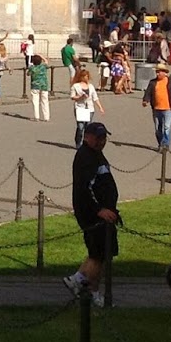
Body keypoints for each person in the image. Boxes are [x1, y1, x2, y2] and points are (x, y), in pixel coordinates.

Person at [64, 122, 119, 304]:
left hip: (103, 213)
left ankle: (80, 281)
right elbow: (85, 189)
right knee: (99, 253)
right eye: (98, 137)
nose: (101, 141)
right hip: (93, 215)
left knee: (100, 253)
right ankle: (87, 287)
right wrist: (99, 210)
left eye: (104, 138)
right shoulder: (85, 157)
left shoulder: (94, 154)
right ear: (87, 136)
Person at [143, 62, 171, 151]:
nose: (157, 73)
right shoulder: (153, 82)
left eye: (159, 72)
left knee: (166, 127)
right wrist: (145, 101)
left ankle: (165, 144)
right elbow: (148, 93)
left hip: (168, 109)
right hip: (156, 109)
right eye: (156, 72)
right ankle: (160, 143)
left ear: (165, 73)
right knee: (158, 128)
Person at [70, 67, 105, 148]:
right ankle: (78, 142)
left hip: (89, 108)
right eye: (84, 76)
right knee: (80, 127)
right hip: (80, 107)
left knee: (88, 127)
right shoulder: (76, 86)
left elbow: (95, 97)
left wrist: (100, 107)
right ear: (81, 77)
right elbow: (72, 97)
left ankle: (85, 143)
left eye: (87, 76)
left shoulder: (91, 86)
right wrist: (79, 97)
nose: (86, 77)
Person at [28, 54, 51, 122]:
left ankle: (36, 117)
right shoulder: (43, 66)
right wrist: (41, 55)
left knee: (35, 101)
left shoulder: (32, 68)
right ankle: (46, 117)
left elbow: (28, 74)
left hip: (35, 86)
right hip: (44, 85)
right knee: (45, 101)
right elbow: (46, 61)